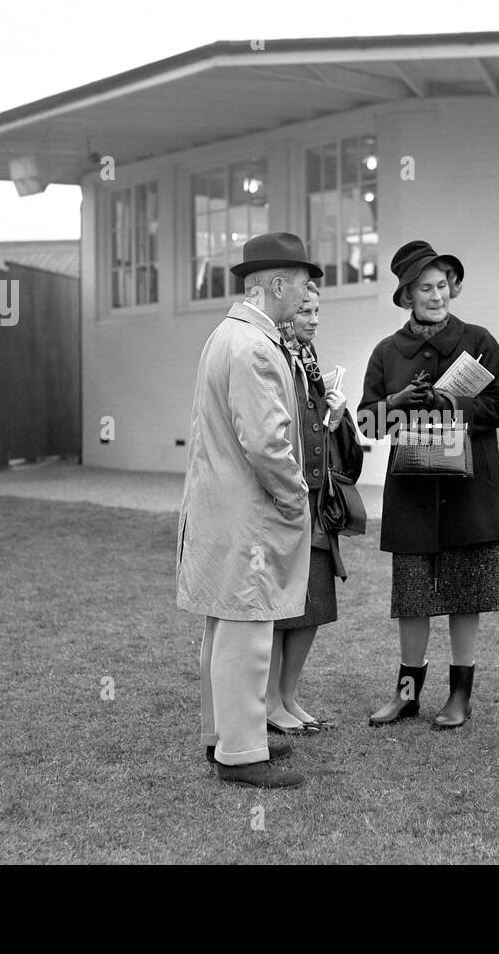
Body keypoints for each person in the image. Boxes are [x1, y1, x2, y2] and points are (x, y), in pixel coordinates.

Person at [175, 232, 323, 789]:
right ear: (277, 284)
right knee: (248, 627)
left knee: (226, 623)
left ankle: (226, 738)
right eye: (303, 284)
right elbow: (265, 443)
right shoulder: (256, 346)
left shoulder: (230, 334)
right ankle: (241, 752)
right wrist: (295, 496)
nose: (306, 295)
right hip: (249, 512)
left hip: (224, 505)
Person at [360, 239, 499, 730]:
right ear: (406, 296)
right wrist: (400, 399)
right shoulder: (386, 352)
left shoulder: (480, 341)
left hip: (469, 491)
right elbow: (367, 423)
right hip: (411, 493)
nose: (436, 295)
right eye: (425, 288)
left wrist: (454, 406)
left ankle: (459, 698)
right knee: (412, 598)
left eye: (442, 285)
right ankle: (407, 696)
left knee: (466, 594)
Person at [266, 287, 364, 734]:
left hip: (317, 502)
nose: (313, 319)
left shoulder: (309, 360)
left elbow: (330, 439)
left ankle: (288, 697)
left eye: (317, 310)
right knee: (279, 607)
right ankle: (267, 703)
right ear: (283, 311)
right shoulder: (268, 357)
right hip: (283, 501)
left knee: (315, 603)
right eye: (305, 310)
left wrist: (338, 416)